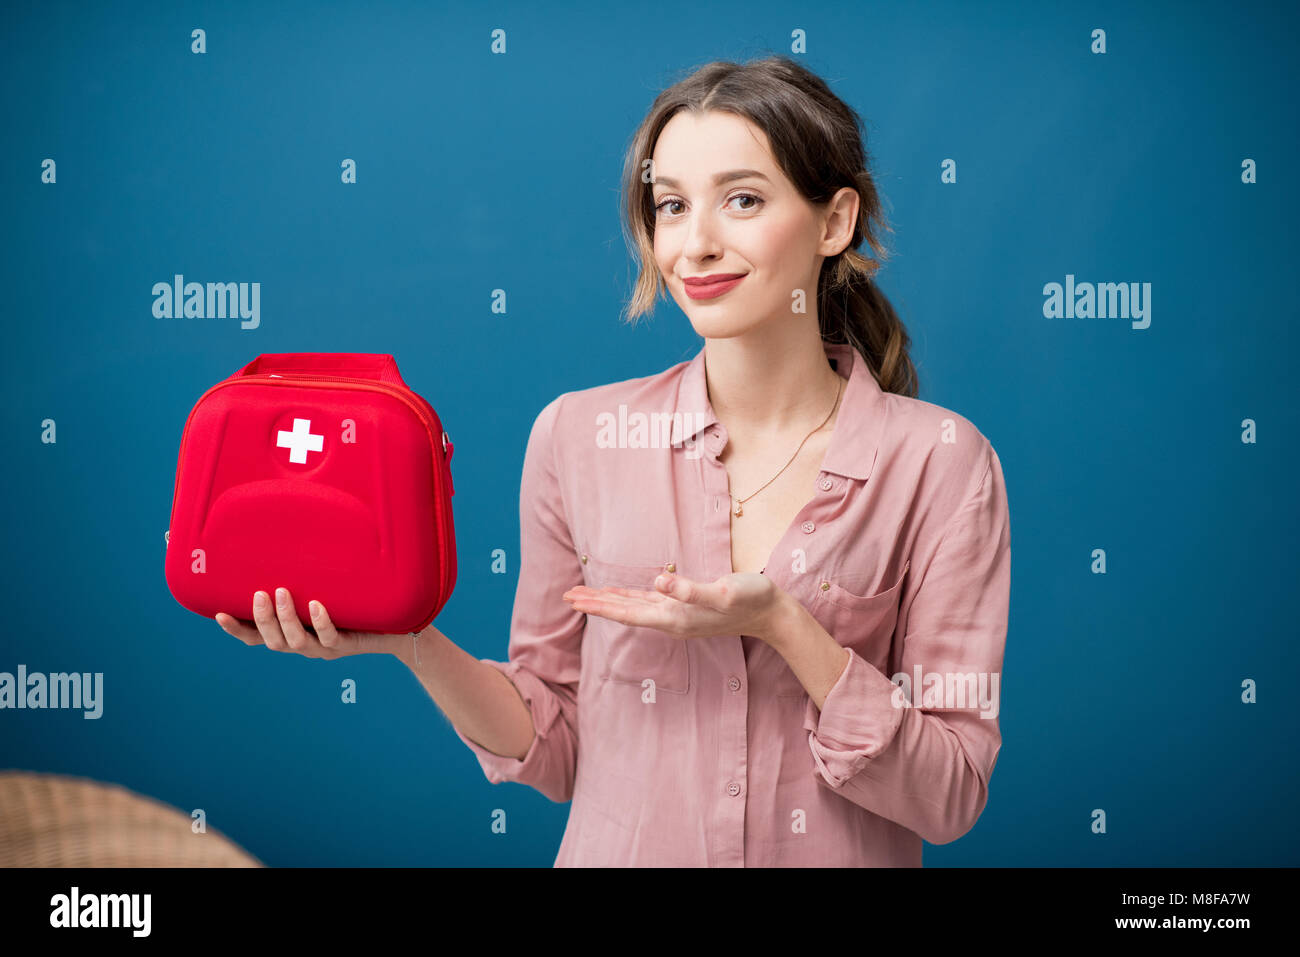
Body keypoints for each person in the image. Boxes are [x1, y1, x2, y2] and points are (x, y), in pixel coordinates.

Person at [215, 54, 1011, 867]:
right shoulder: (576, 438)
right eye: (671, 205)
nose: (696, 244)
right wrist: (408, 639)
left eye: (742, 199)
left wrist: (783, 625)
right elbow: (554, 743)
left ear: (834, 222)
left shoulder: (942, 464)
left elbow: (949, 794)